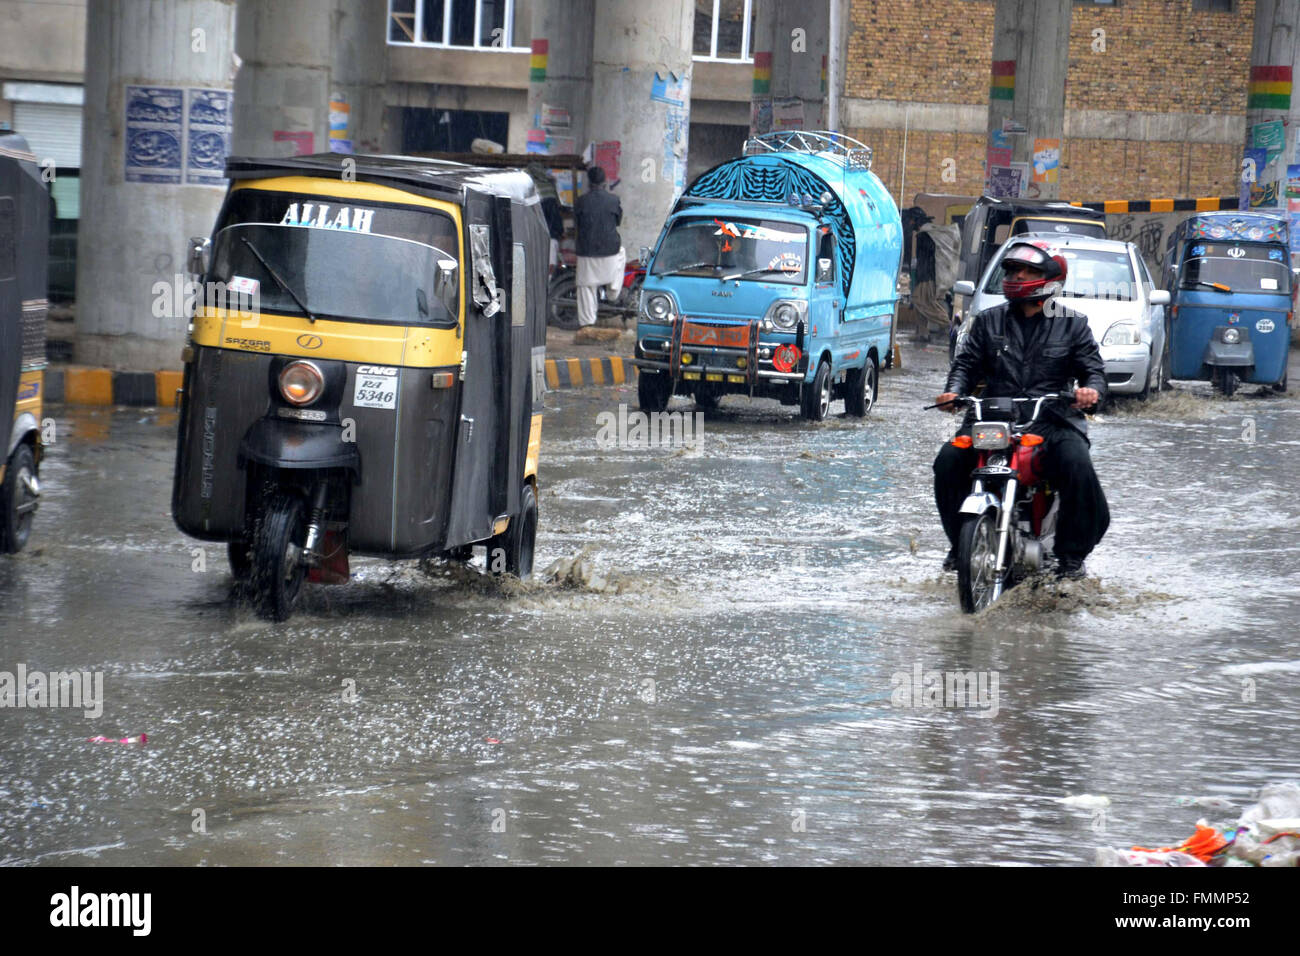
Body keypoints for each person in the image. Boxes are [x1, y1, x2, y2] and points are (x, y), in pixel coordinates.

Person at [932, 239, 1110, 580]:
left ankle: (1071, 557)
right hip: (991, 419)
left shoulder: (1074, 324)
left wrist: (1091, 392)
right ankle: (961, 544)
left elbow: (1093, 371)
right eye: (1013, 269)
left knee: (1077, 464)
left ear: (1051, 278)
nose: (1017, 276)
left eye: (1028, 270)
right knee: (948, 462)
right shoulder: (987, 321)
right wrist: (953, 393)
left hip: (1052, 421)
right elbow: (965, 365)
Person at [573, 164, 625, 328]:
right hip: (610, 250)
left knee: (586, 287)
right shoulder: (614, 200)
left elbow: (577, 224)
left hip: (586, 251)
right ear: (605, 182)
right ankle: (613, 292)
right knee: (622, 253)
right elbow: (618, 222)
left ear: (589, 183)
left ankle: (588, 323)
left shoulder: (581, 201)